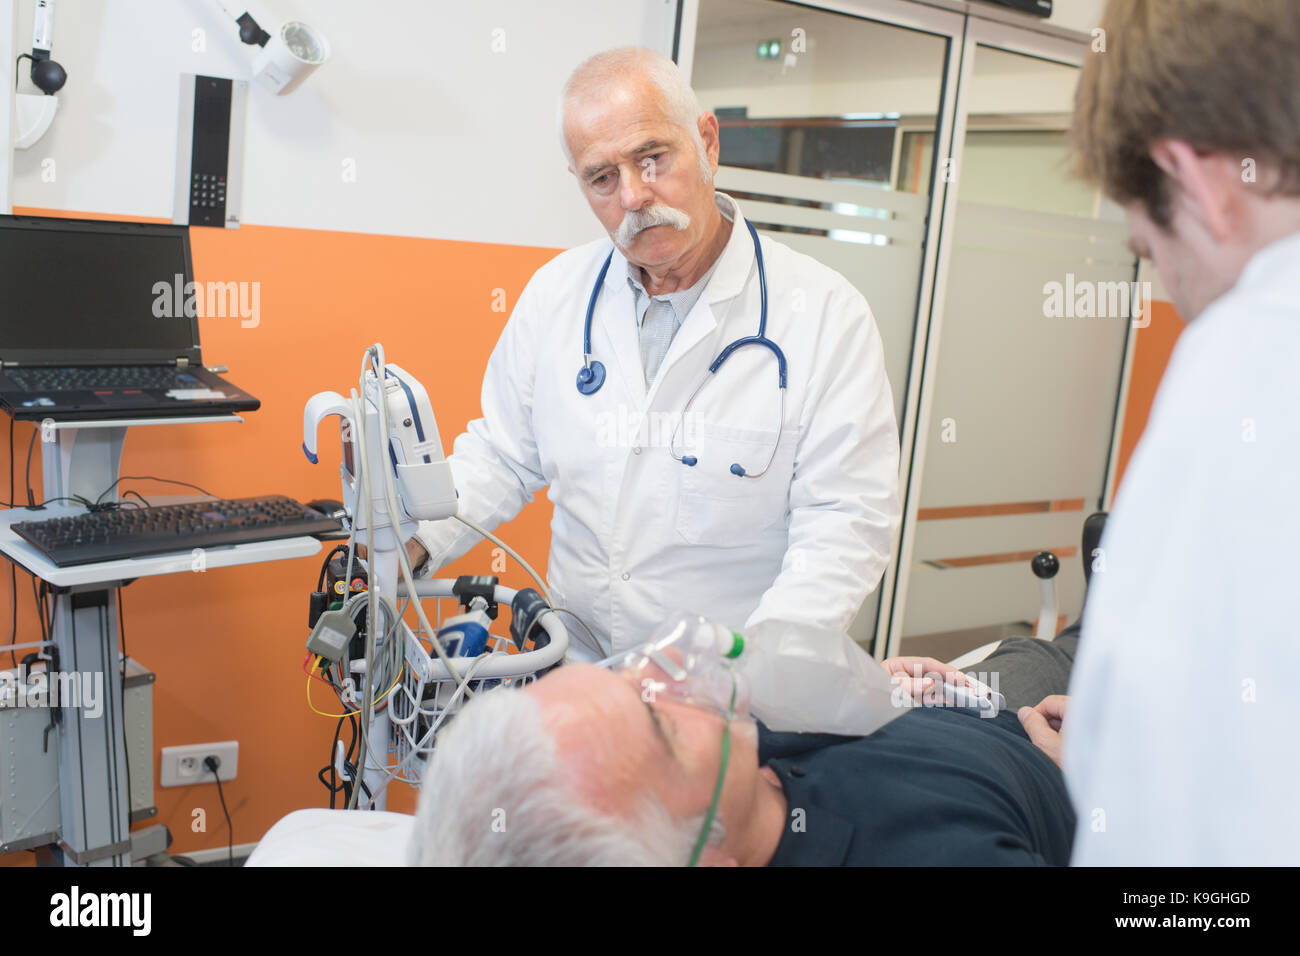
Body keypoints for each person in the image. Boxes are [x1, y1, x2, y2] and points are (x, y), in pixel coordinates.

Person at [400, 47, 900, 659]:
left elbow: (844, 527)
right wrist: (416, 542)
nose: (633, 196)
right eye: (602, 178)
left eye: (652, 158)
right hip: (577, 670)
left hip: (732, 693)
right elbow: (504, 454)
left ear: (708, 143)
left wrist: (755, 670)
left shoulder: (825, 315)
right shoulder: (557, 293)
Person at [1017, 0, 1300, 864]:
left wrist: (1111, 779)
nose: (1172, 290)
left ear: (1198, 179)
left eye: (1148, 248)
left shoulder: (1248, 364)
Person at [407, 630, 1081, 866]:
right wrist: (1087, 791)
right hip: (1054, 747)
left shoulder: (737, 756)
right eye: (662, 723)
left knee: (1048, 648)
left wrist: (872, 688)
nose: (670, 674)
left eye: (623, 676)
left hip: (971, 701)